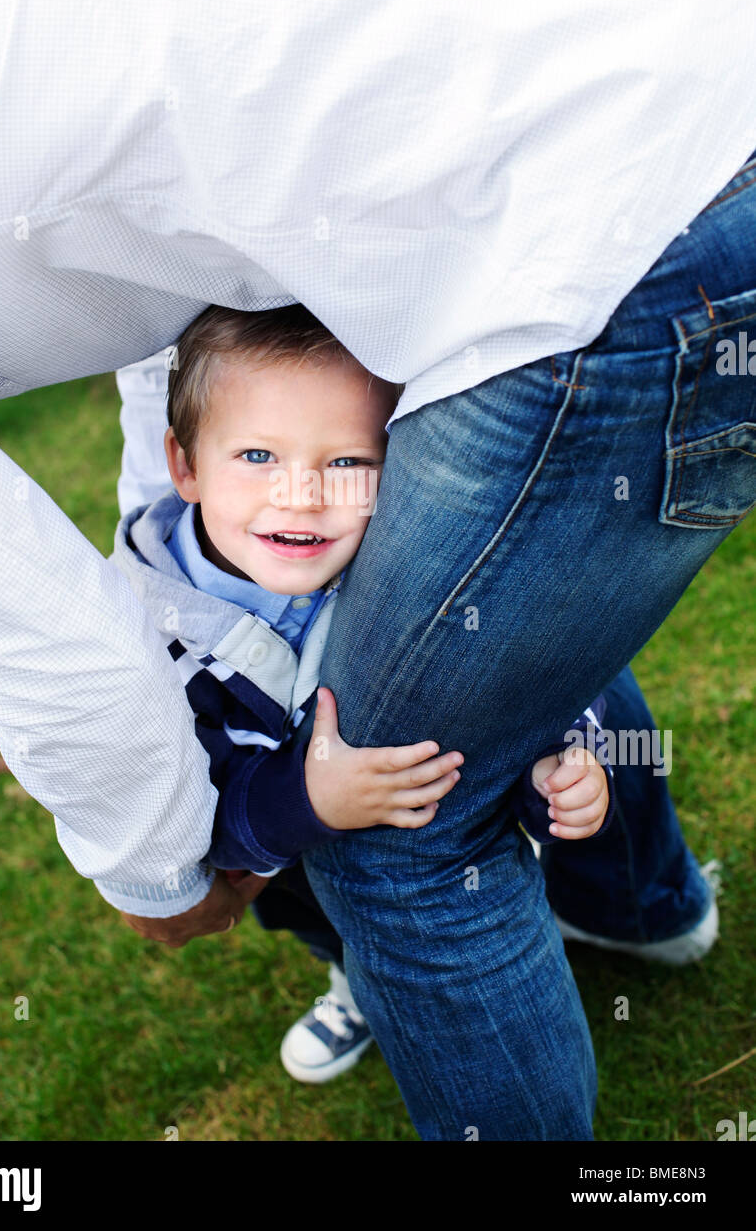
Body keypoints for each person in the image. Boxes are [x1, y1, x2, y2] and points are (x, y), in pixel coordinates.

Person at [0, 0, 754, 1139]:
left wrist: (156, 868)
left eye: (343, 461)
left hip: (630, 197)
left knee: (395, 821)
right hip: (673, 17)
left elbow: (52, 639)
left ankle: (621, 906)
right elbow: (158, 292)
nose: (299, 492)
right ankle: (612, 913)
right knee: (475, 626)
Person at [112, 302, 612, 1082]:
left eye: (347, 462)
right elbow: (194, 819)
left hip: (423, 812)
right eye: (256, 455)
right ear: (185, 467)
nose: (302, 495)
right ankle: (352, 981)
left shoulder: (406, 556)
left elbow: (520, 657)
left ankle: (555, 917)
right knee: (308, 909)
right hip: (277, 856)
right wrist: (308, 800)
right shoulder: (147, 637)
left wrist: (559, 751)